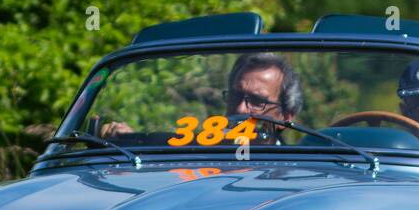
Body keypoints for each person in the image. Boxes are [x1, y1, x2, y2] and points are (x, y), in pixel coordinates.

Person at [100, 52, 304, 145]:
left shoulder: (293, 175)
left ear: (286, 116)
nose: (241, 109)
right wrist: (131, 139)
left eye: (258, 101)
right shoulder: (200, 146)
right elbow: (170, 145)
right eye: (235, 96)